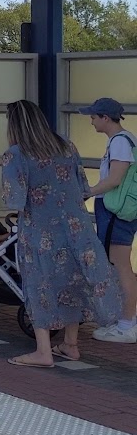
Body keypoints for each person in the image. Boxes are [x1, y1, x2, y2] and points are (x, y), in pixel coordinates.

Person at [2, 100, 121, 367]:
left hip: (40, 232)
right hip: (76, 228)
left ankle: (43, 352)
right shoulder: (66, 146)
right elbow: (82, 187)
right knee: (72, 284)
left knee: (39, 287)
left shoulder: (16, 154)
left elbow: (14, 199)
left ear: (15, 125)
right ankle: (70, 345)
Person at [80, 97, 137, 343]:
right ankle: (125, 320)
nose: (91, 122)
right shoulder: (123, 140)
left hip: (116, 211)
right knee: (119, 265)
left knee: (122, 266)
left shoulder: (121, 143)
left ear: (105, 117)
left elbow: (115, 180)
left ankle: (127, 325)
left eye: (93, 117)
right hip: (115, 210)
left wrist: (88, 192)